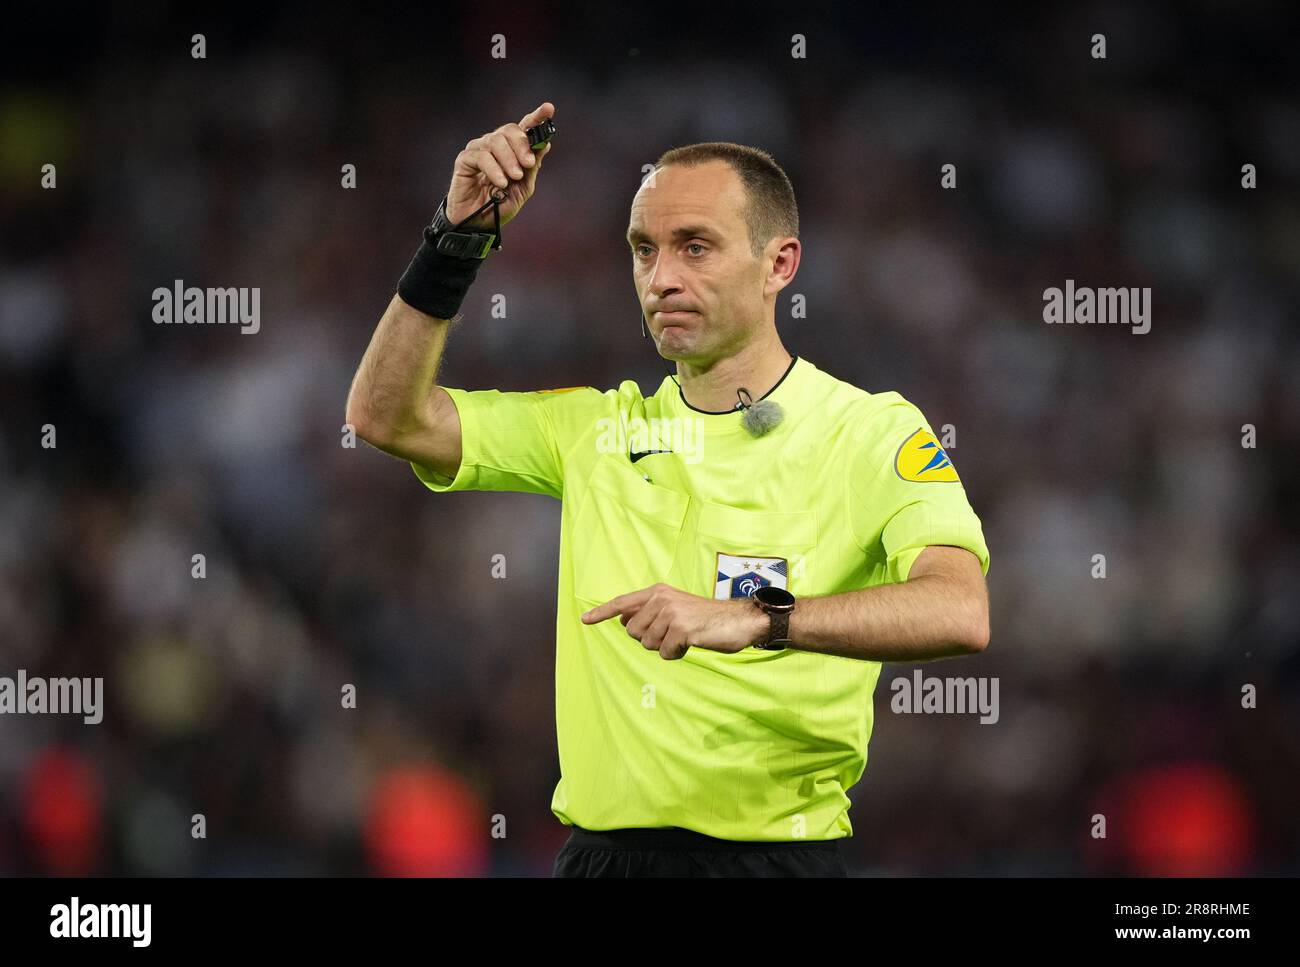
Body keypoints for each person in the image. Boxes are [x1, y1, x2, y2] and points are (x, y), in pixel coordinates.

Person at [345, 102, 992, 878]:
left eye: (695, 247)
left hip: (777, 862)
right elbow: (386, 415)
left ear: (779, 264)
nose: (662, 277)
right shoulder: (595, 429)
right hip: (603, 863)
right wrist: (456, 239)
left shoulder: (870, 432)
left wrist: (755, 618)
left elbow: (960, 608)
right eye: (643, 249)